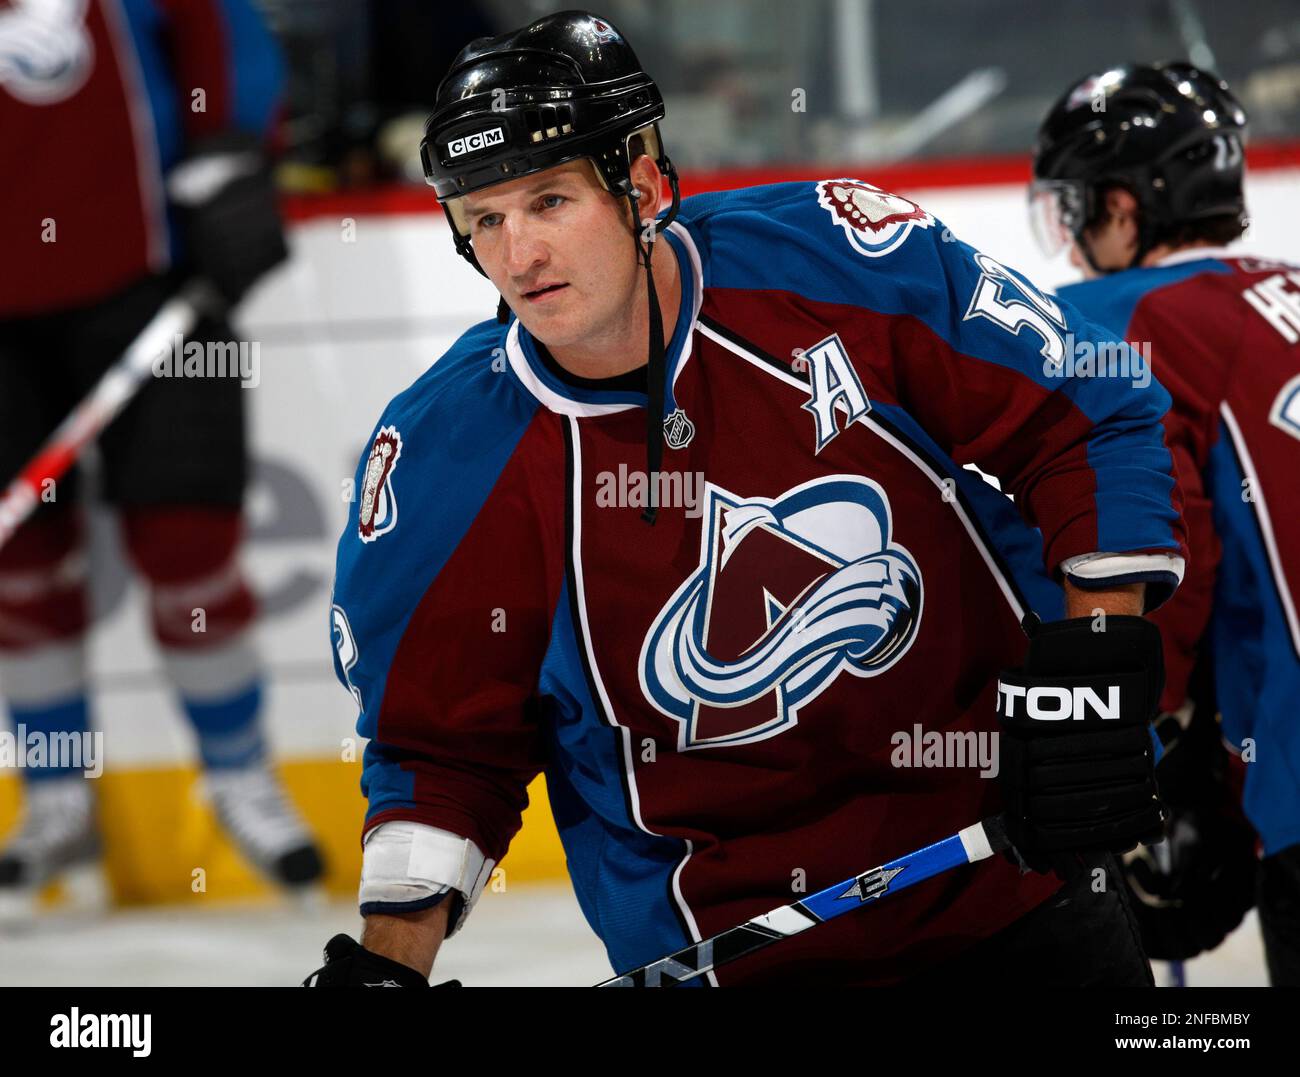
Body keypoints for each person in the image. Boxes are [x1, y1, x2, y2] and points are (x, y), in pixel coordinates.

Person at [307, 11, 1186, 988]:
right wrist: (389, 969)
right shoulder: (441, 456)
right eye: (486, 219)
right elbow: (438, 748)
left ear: (639, 181)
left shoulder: (834, 260)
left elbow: (1087, 412)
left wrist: (1095, 687)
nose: (519, 256)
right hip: (725, 963)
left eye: (548, 200)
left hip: (1014, 892)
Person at [0, 0, 323, 914]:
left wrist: (232, 156)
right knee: (20, 567)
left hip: (152, 284)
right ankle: (58, 797)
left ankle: (240, 777)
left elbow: (223, 34)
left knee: (189, 543)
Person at [1030, 61, 1299, 984]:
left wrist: (1137, 750)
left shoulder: (1114, 318)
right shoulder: (1288, 295)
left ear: (1123, 205)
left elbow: (1144, 550)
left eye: (1080, 205)